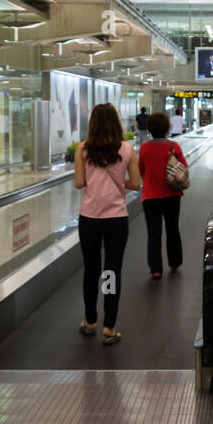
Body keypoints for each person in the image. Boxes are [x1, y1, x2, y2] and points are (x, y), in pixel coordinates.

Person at [74, 102, 140, 345]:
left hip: (89, 218)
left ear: (92, 124)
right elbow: (135, 184)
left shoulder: (83, 149)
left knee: (91, 270)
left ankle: (90, 320)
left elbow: (79, 183)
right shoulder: (126, 149)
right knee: (112, 271)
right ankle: (109, 327)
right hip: (116, 219)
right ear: (116, 122)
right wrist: (118, 180)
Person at [137, 112, 186, 279]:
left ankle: (156, 269)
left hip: (150, 197)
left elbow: (141, 171)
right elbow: (184, 168)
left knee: (154, 233)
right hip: (172, 195)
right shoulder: (174, 147)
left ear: (149, 128)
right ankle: (174, 262)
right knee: (172, 229)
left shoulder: (144, 148)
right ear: (168, 127)